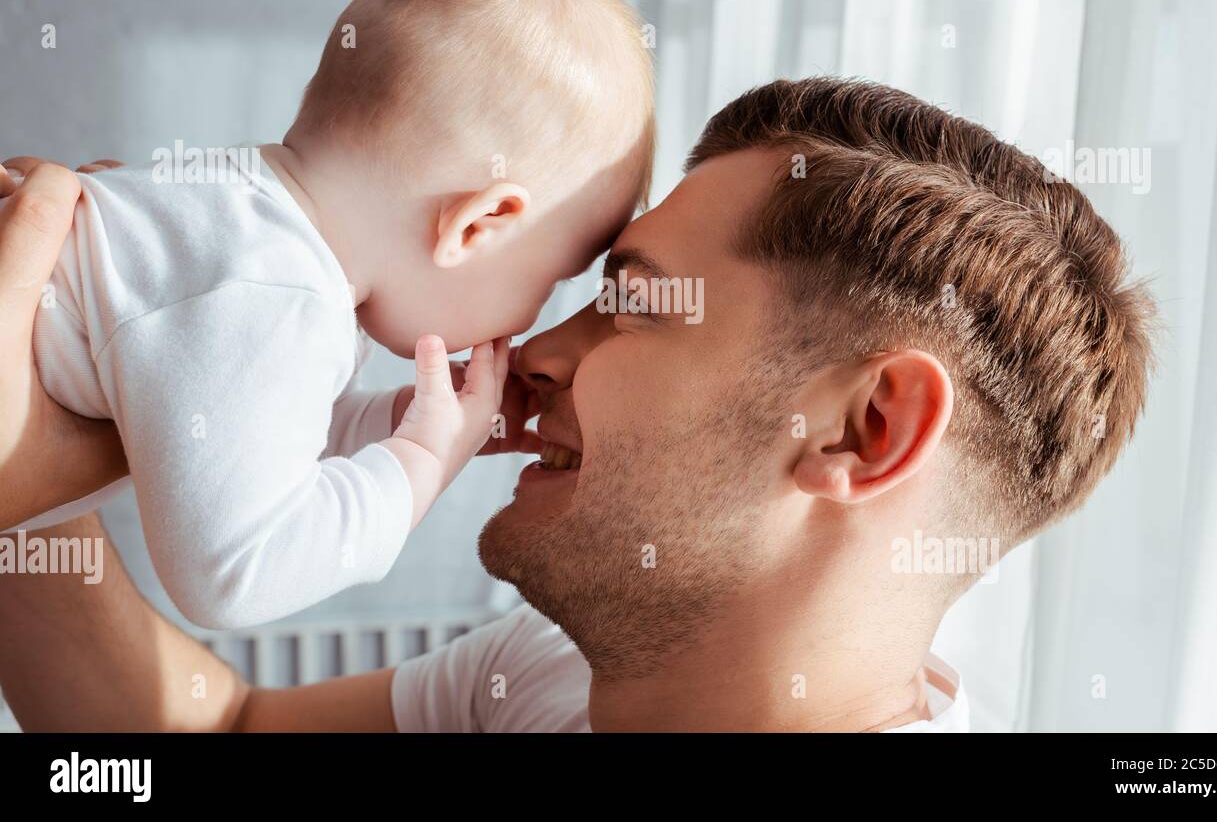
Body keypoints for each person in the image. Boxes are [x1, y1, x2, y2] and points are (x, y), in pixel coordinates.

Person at [0, 77, 1155, 731]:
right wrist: (82, 378)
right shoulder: (551, 673)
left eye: (633, 303)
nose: (534, 350)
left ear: (869, 431)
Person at [0, 0, 654, 630]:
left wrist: (406, 421)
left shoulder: (241, 217)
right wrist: (420, 462)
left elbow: (258, 438)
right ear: (478, 224)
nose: (528, 320)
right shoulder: (279, 297)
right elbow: (234, 571)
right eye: (550, 277)